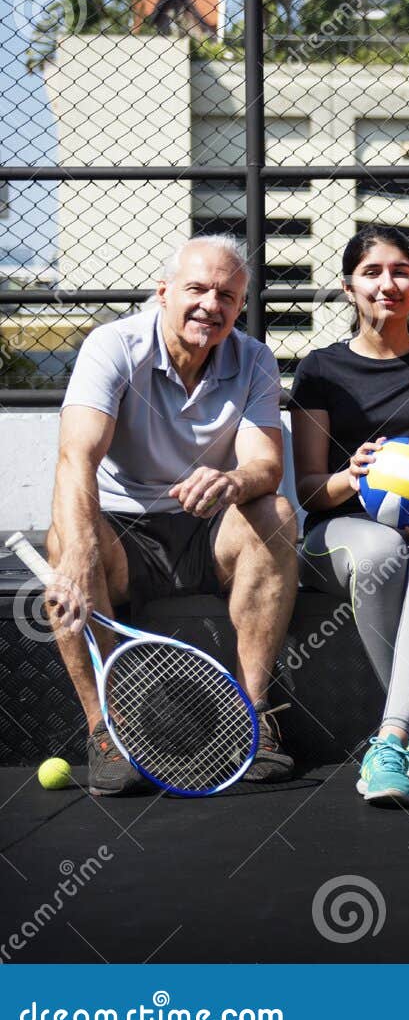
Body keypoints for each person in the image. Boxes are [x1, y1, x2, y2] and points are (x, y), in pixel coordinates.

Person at [40, 234, 297, 795]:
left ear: (240, 306)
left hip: (207, 530)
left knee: (275, 514)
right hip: (126, 532)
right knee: (65, 541)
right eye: (197, 289)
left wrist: (232, 481)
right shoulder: (112, 345)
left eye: (227, 296)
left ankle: (254, 719)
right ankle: (106, 730)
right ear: (163, 292)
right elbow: (76, 457)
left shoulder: (254, 358)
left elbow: (266, 465)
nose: (211, 305)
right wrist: (79, 555)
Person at [290, 227, 409, 808]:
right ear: (349, 288)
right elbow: (310, 491)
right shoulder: (319, 369)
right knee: (381, 551)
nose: (387, 284)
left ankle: (392, 739)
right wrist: (352, 476)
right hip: (336, 535)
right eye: (372, 272)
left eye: (401, 272)